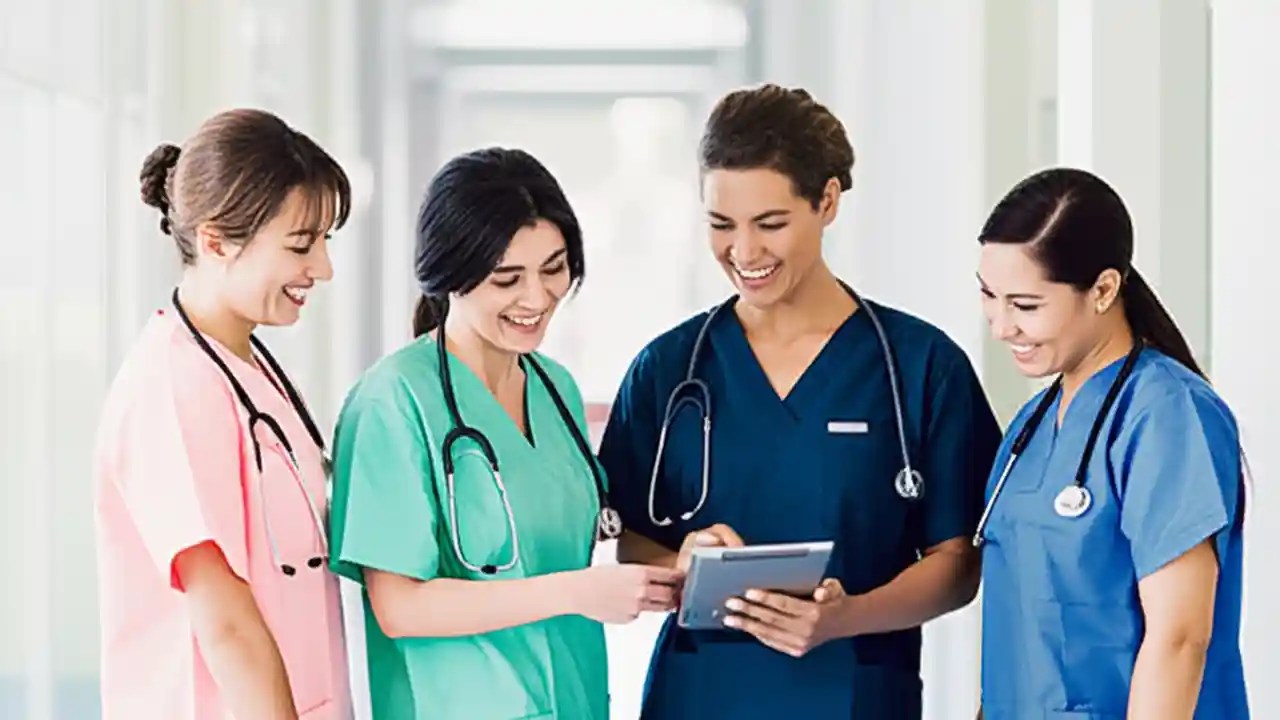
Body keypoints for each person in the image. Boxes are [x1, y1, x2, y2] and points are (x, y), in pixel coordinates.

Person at [598, 83, 1002, 718]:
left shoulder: (920, 367)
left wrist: (848, 618)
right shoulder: (669, 369)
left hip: (855, 692)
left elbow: (958, 563)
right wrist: (683, 557)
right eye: (720, 224)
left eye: (771, 224)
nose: (744, 252)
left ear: (828, 202)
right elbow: (628, 540)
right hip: (699, 695)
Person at [327, 147, 683, 720]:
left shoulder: (555, 390)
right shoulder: (394, 400)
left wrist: (676, 569)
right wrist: (576, 591)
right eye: (507, 278)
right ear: (451, 276)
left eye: (554, 268)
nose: (538, 298)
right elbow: (399, 607)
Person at [93, 109, 353, 719]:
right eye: (300, 245)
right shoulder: (171, 386)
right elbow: (226, 622)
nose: (322, 268)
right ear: (215, 241)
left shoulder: (249, 369)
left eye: (324, 242)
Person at [972, 168, 1249, 719]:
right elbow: (1018, 637)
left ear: (1103, 289)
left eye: (1025, 305)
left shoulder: (1165, 413)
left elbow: (1180, 636)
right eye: (988, 296)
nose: (1001, 326)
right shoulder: (1031, 426)